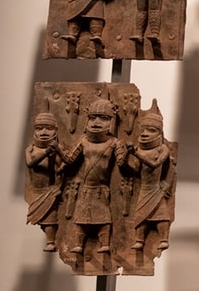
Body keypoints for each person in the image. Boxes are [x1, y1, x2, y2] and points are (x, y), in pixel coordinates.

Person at [61, 98, 126, 256]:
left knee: (104, 217)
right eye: (92, 117)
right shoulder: (83, 141)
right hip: (85, 188)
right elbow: (69, 159)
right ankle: (78, 244)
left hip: (101, 189)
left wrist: (128, 151)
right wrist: (57, 148)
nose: (96, 122)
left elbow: (122, 163)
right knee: (81, 217)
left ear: (111, 122)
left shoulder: (114, 143)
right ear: (87, 120)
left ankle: (104, 244)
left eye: (103, 118)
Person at [123, 100, 174, 252]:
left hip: (155, 188)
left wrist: (136, 154)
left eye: (151, 130)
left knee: (162, 215)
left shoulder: (162, 149)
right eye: (143, 130)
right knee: (141, 216)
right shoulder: (139, 149)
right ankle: (139, 240)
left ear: (159, 133)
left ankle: (163, 239)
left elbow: (154, 164)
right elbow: (135, 169)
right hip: (144, 188)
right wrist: (125, 158)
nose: (145, 134)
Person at [26, 110, 62, 252]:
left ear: (55, 131)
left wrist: (58, 185)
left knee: (50, 217)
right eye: (39, 128)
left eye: (48, 128)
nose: (44, 132)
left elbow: (62, 168)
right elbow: (30, 163)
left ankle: (50, 241)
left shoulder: (56, 150)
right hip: (36, 191)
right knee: (43, 217)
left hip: (49, 190)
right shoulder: (30, 149)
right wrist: (46, 152)